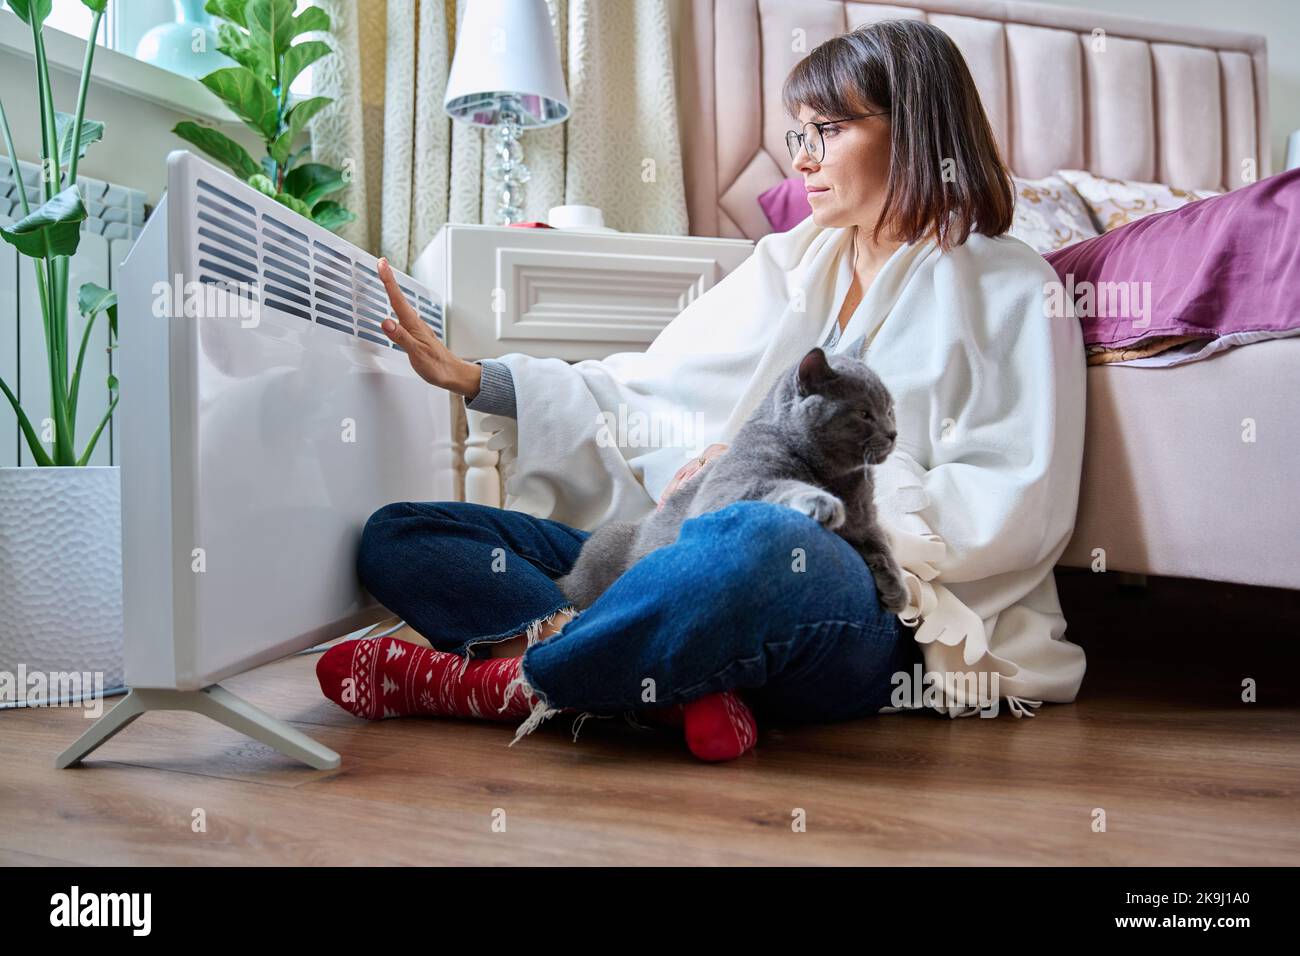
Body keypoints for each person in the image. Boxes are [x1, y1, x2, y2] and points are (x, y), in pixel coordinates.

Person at [315, 19, 1088, 761]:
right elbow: (640, 392)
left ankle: (512, 679)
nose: (804, 159)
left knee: (757, 541)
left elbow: (1018, 506)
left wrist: (787, 482)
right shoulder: (788, 265)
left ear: (915, 129)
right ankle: (645, 677)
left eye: (830, 130)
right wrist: (480, 379)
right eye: (799, 133)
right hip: (680, 546)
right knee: (403, 534)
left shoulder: (1013, 286)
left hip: (861, 602)